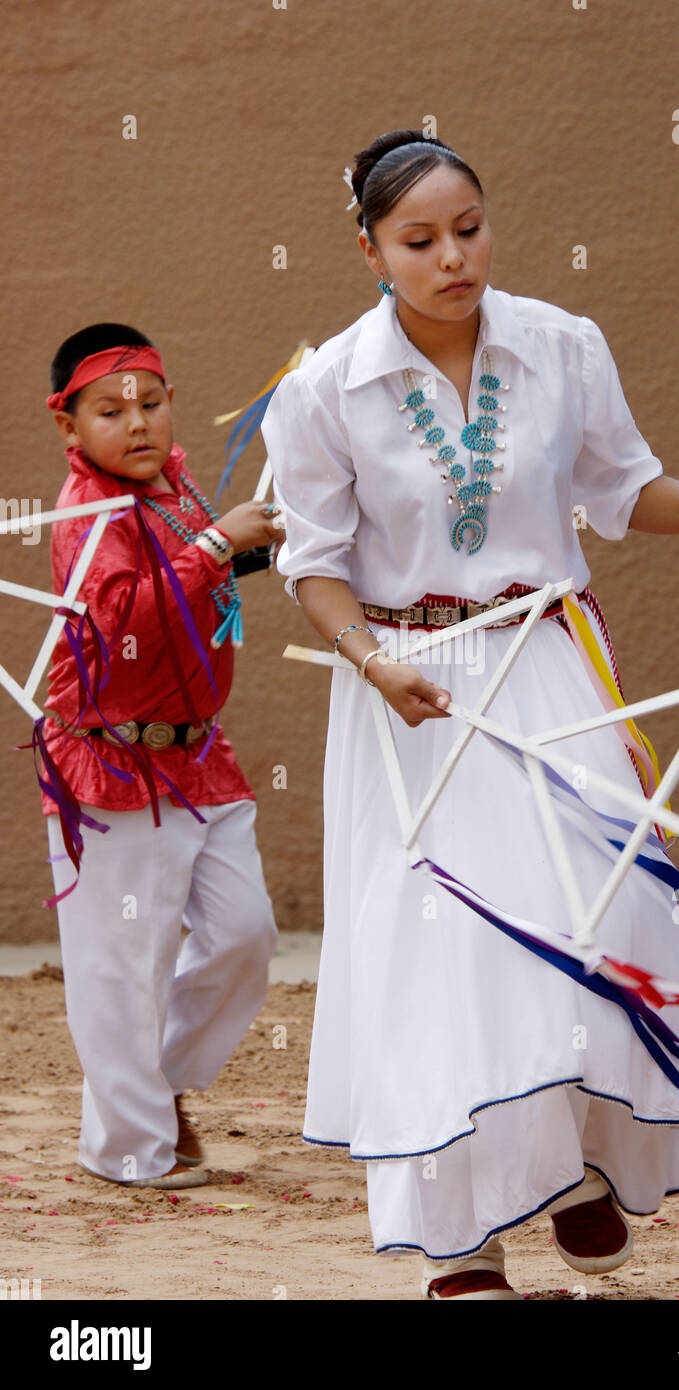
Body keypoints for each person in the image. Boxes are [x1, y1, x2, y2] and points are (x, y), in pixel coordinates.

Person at [261, 130, 679, 1299]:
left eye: (468, 228)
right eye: (419, 240)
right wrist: (369, 661)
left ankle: (572, 1164)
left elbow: (623, 491)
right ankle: (462, 1244)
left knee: (598, 913)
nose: (452, 258)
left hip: (546, 667)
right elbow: (309, 564)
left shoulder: (560, 345)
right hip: (409, 692)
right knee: (450, 947)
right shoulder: (323, 391)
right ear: (368, 247)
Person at [41, 323, 282, 1190]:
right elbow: (121, 617)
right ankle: (127, 1152)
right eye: (110, 411)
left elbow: (194, 586)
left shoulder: (177, 487)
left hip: (198, 758)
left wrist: (248, 548)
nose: (137, 423)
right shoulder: (85, 516)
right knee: (121, 969)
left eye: (152, 403)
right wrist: (219, 544)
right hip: (108, 766)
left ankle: (160, 1083)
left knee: (244, 934)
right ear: (70, 427)